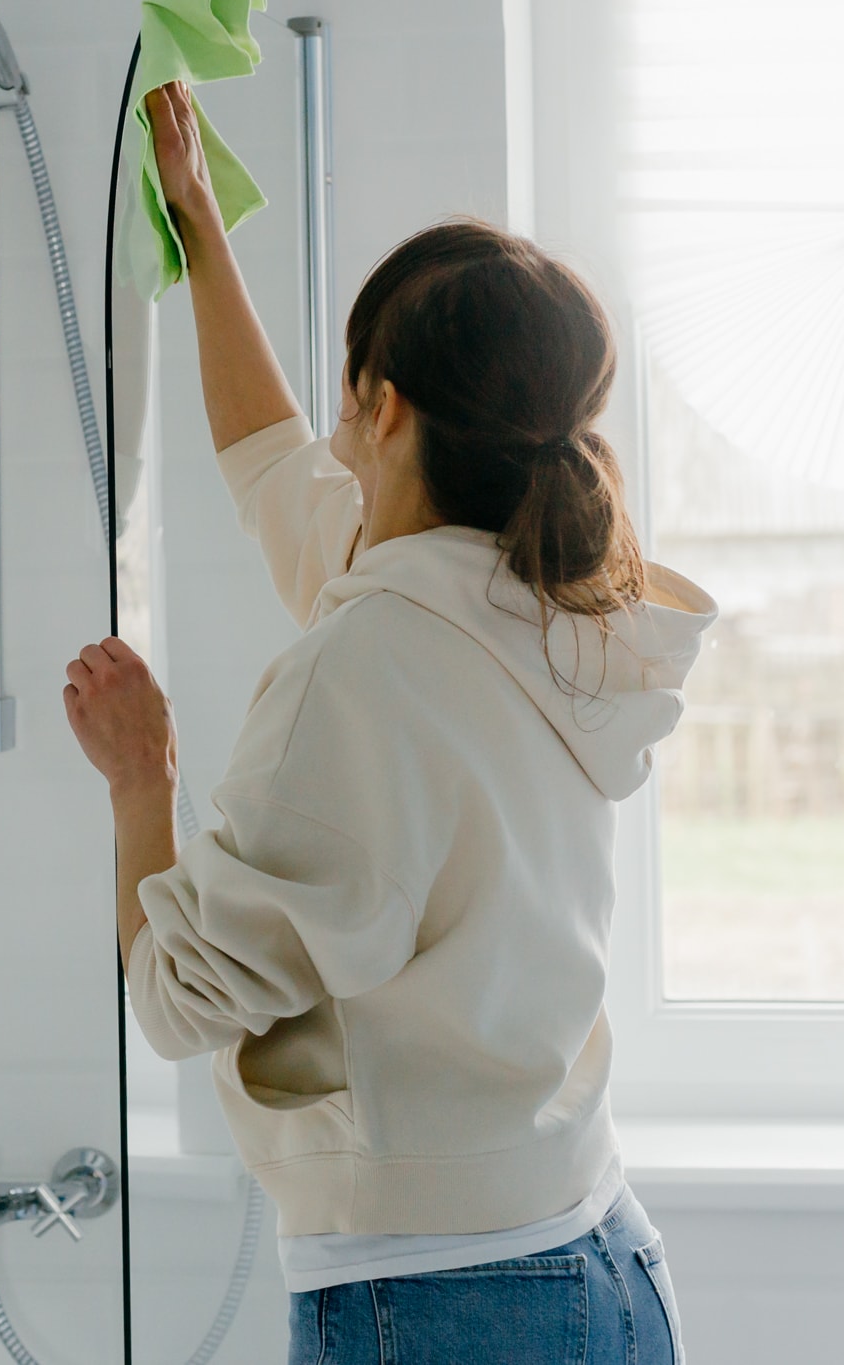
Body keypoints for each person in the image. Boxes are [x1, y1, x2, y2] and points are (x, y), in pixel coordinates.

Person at [62, 80, 718, 1364]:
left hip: (441, 1304)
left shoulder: (358, 666)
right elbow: (268, 462)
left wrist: (142, 778)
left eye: (349, 390)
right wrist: (197, 226)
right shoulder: (549, 607)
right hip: (602, 1262)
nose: (333, 420)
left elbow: (178, 997)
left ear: (388, 408)